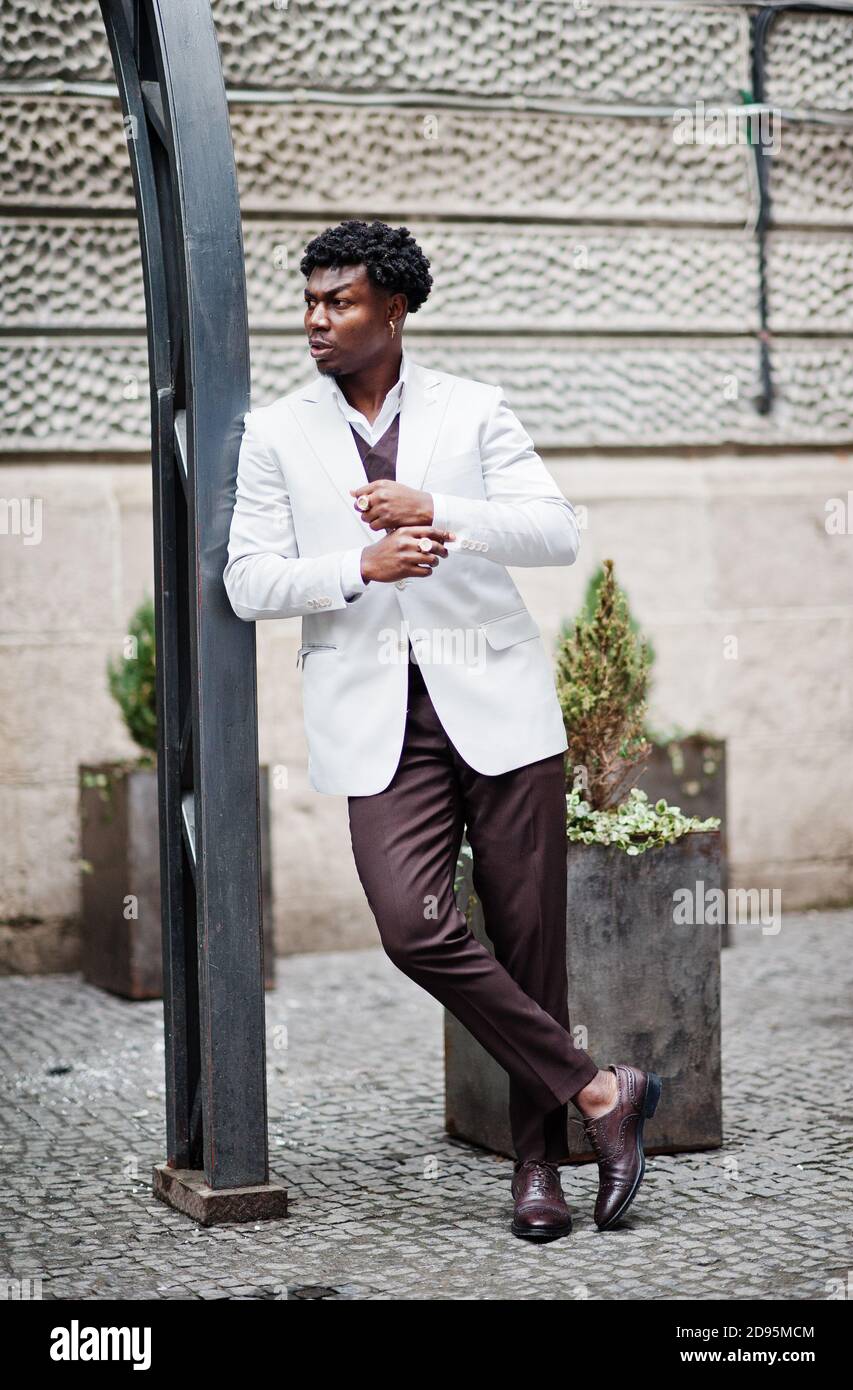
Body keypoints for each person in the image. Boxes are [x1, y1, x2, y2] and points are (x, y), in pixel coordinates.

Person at [223, 219, 661, 1240]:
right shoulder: (277, 432)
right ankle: (603, 1093)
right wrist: (354, 568)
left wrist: (440, 508)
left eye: (337, 301)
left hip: (500, 714)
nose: (314, 318)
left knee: (528, 944)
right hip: (378, 724)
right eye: (311, 299)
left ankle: (537, 1170)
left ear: (394, 308)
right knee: (412, 925)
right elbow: (245, 581)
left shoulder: (472, 411)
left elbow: (554, 530)